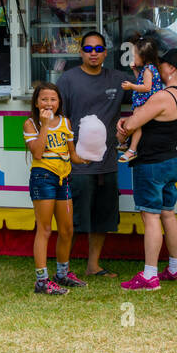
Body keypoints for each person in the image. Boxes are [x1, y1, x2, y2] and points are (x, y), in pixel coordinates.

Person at [114, 47, 177, 290]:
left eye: (162, 64)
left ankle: (150, 275)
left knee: (150, 218)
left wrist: (123, 126)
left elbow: (132, 124)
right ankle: (175, 268)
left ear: (171, 68)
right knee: (168, 214)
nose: (157, 68)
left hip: (151, 164)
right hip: (171, 161)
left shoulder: (162, 97)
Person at [57, 29, 130, 277]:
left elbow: (147, 93)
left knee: (103, 218)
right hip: (77, 163)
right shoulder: (67, 80)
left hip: (108, 162)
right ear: (80, 53)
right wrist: (69, 154)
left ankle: (93, 265)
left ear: (105, 53)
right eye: (88, 49)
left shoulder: (117, 78)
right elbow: (60, 119)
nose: (93, 54)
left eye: (98, 49)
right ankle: (64, 269)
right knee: (74, 219)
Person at [23, 81, 87, 294]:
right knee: (45, 229)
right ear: (36, 102)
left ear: (59, 102)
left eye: (53, 99)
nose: (48, 103)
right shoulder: (31, 124)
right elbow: (38, 153)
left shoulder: (66, 123)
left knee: (67, 229)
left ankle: (62, 273)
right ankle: (41, 281)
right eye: (44, 99)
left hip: (64, 178)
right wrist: (45, 125)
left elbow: (73, 155)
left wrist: (89, 157)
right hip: (43, 177)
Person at [118, 37, 162, 164]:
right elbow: (140, 81)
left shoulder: (148, 70)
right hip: (145, 100)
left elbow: (147, 87)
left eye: (134, 55)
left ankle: (132, 149)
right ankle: (128, 145)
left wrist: (131, 87)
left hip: (146, 101)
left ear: (143, 56)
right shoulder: (147, 69)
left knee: (136, 124)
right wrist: (134, 70)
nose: (133, 58)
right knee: (136, 124)